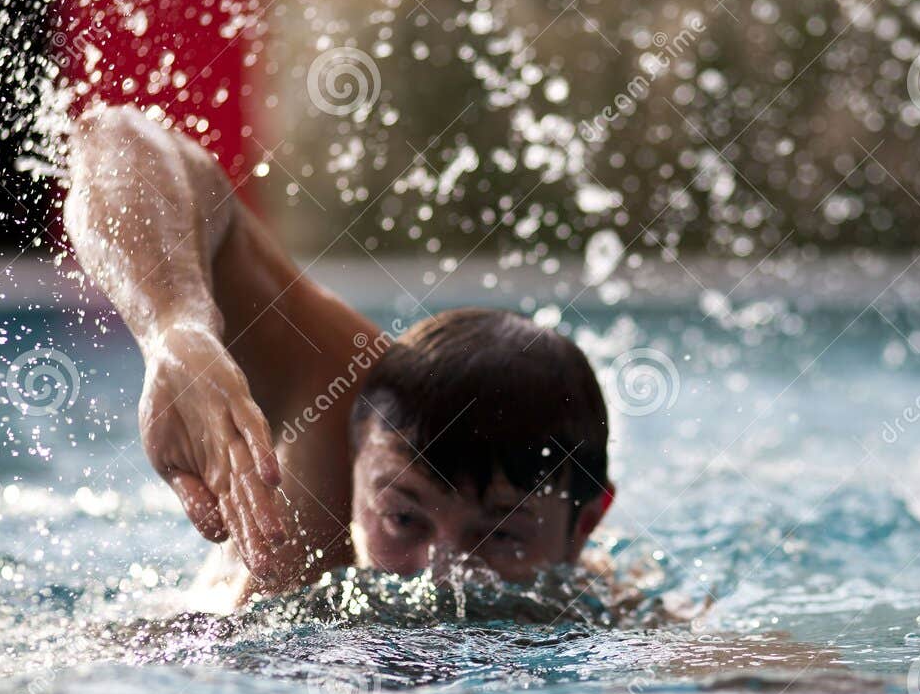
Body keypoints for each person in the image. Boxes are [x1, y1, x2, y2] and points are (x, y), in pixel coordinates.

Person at [65, 104, 614, 610]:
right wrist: (174, 326)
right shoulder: (343, 405)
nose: (441, 576)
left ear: (584, 525)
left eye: (500, 537)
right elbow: (117, 140)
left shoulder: (608, 620)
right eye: (403, 518)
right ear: (352, 463)